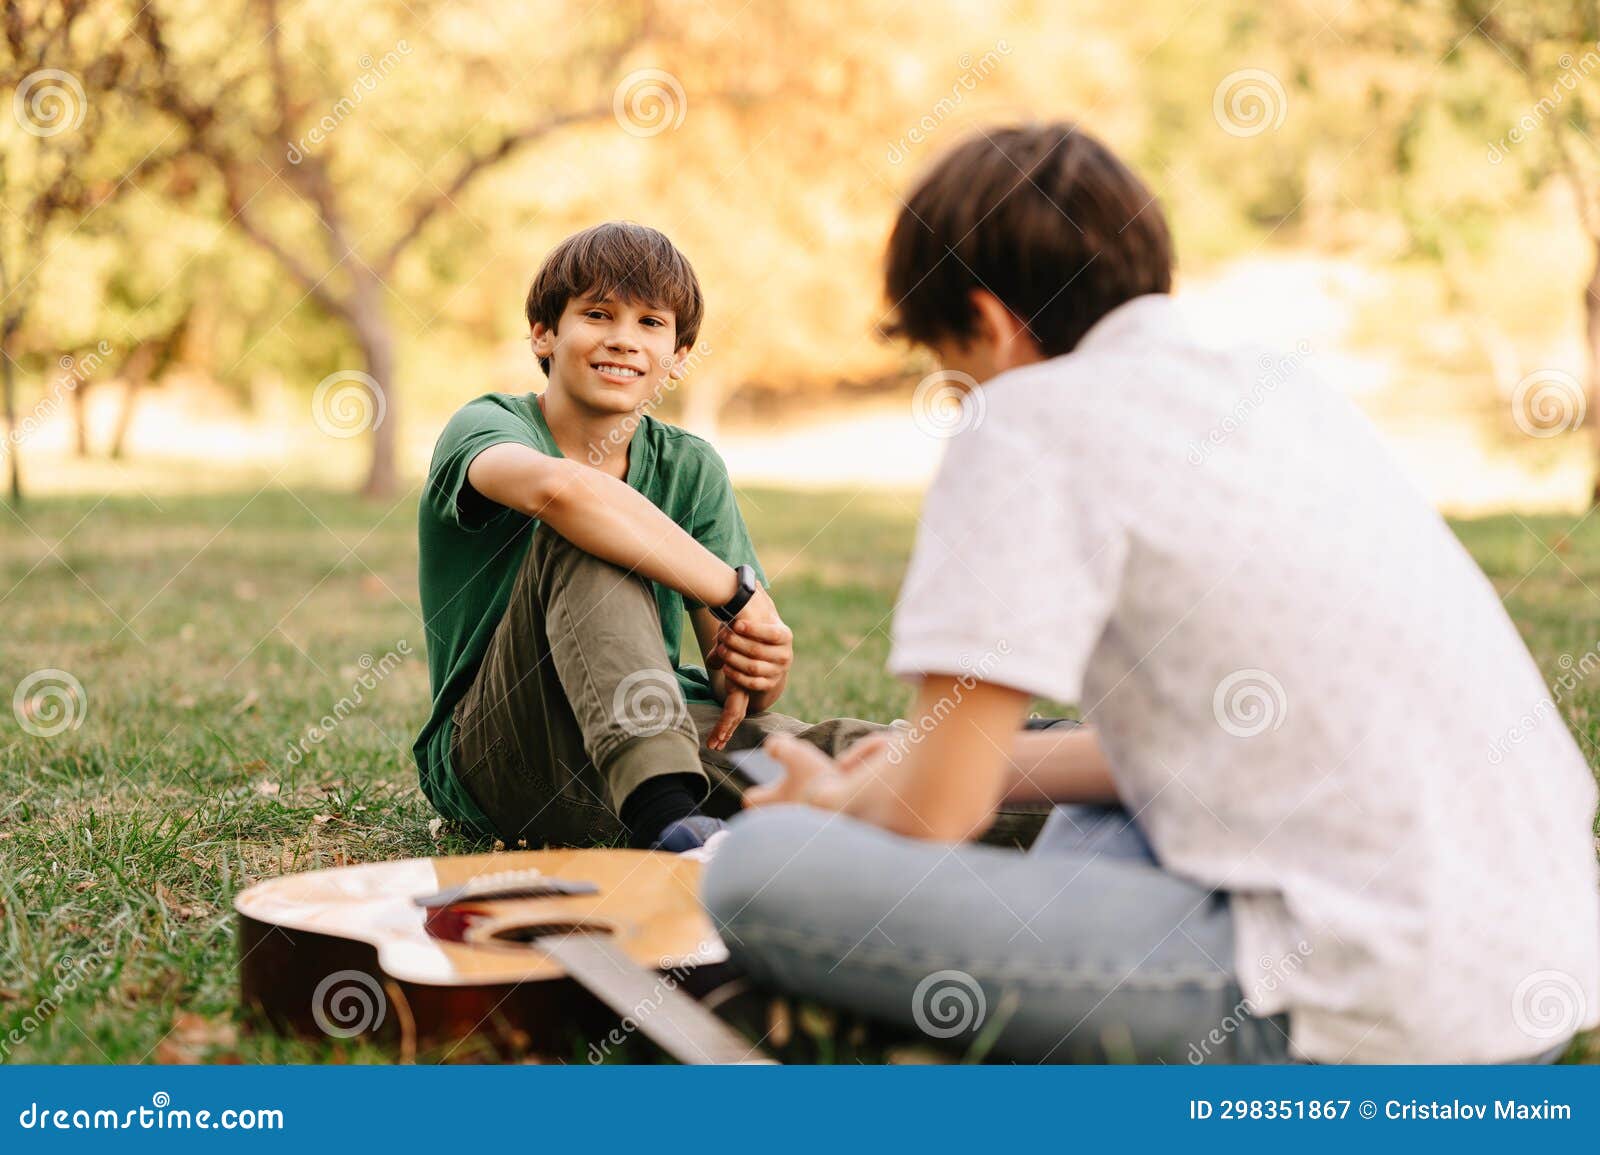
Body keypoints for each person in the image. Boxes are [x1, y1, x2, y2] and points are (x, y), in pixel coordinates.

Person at [702, 123, 1600, 1064]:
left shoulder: (1025, 417)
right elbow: (1182, 749)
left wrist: (826, 812)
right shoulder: (1277, 388)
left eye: (946, 360)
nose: (957, 393)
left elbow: (937, 814)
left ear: (992, 322)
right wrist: (948, 765)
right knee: (1112, 803)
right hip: (1522, 974)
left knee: (759, 874)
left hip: (1364, 1007)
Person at [412, 221, 879, 853]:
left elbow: (737, 686)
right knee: (586, 527)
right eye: (598, 314)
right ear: (544, 334)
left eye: (650, 323)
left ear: (679, 355)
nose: (622, 340)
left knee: (837, 759)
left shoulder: (691, 467)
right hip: (503, 751)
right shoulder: (488, 424)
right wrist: (735, 592)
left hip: (648, 727)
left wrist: (763, 662)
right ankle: (669, 824)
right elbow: (565, 496)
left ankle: (1046, 778)